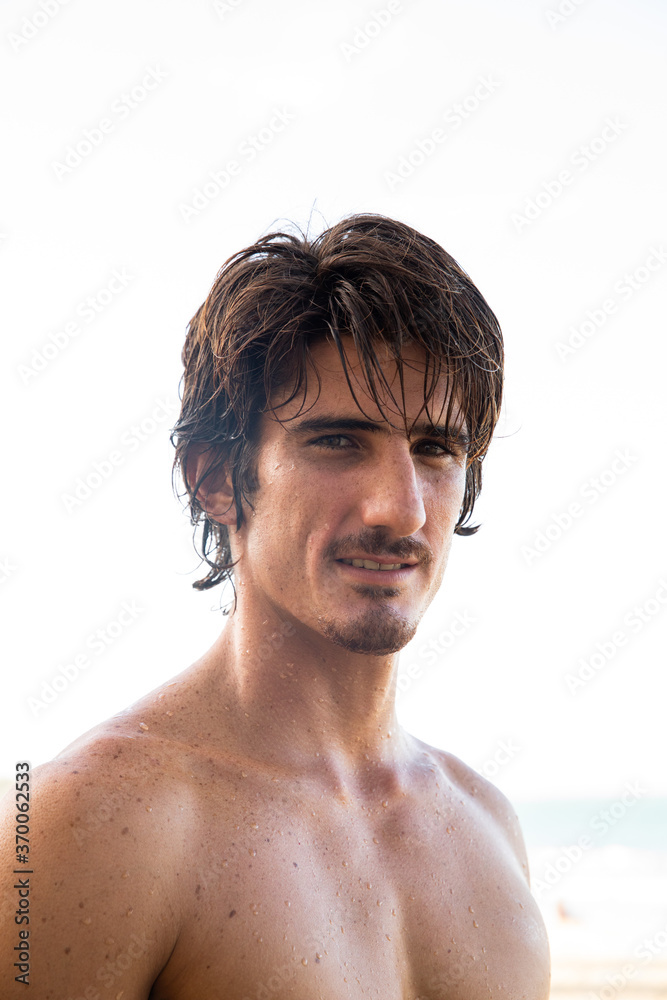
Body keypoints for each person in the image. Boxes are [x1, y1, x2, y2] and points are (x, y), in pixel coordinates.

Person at [1, 214, 550, 997]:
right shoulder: (86, 823)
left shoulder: (488, 829)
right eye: (337, 442)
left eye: (435, 449)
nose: (400, 510)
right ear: (216, 478)